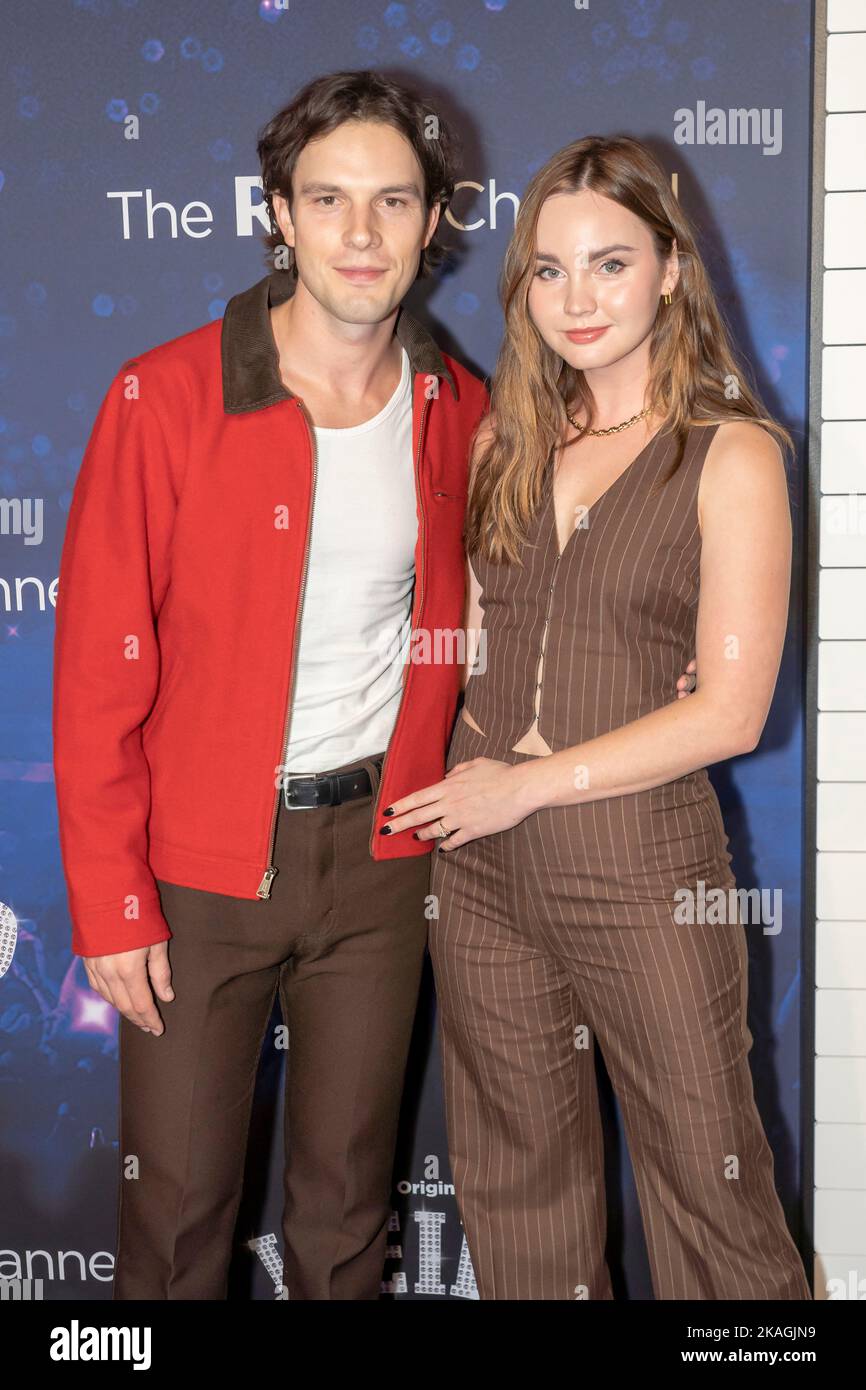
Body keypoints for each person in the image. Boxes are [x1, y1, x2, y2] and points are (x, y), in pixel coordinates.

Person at [52, 70, 490, 1300]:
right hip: (197, 873)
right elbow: (93, 668)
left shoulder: (462, 411)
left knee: (347, 1214)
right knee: (179, 1220)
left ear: (431, 219)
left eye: (392, 202)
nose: (361, 234)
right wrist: (110, 898)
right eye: (329, 200)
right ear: (280, 217)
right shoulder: (164, 397)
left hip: (385, 862)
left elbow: (518, 602)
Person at [382, 135, 812, 1301]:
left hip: (640, 867)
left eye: (610, 264)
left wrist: (523, 781)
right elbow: (460, 651)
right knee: (516, 1196)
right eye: (550, 270)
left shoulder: (730, 455)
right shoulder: (503, 443)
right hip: (478, 875)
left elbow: (728, 712)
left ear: (670, 270)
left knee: (708, 1189)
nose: (578, 299)